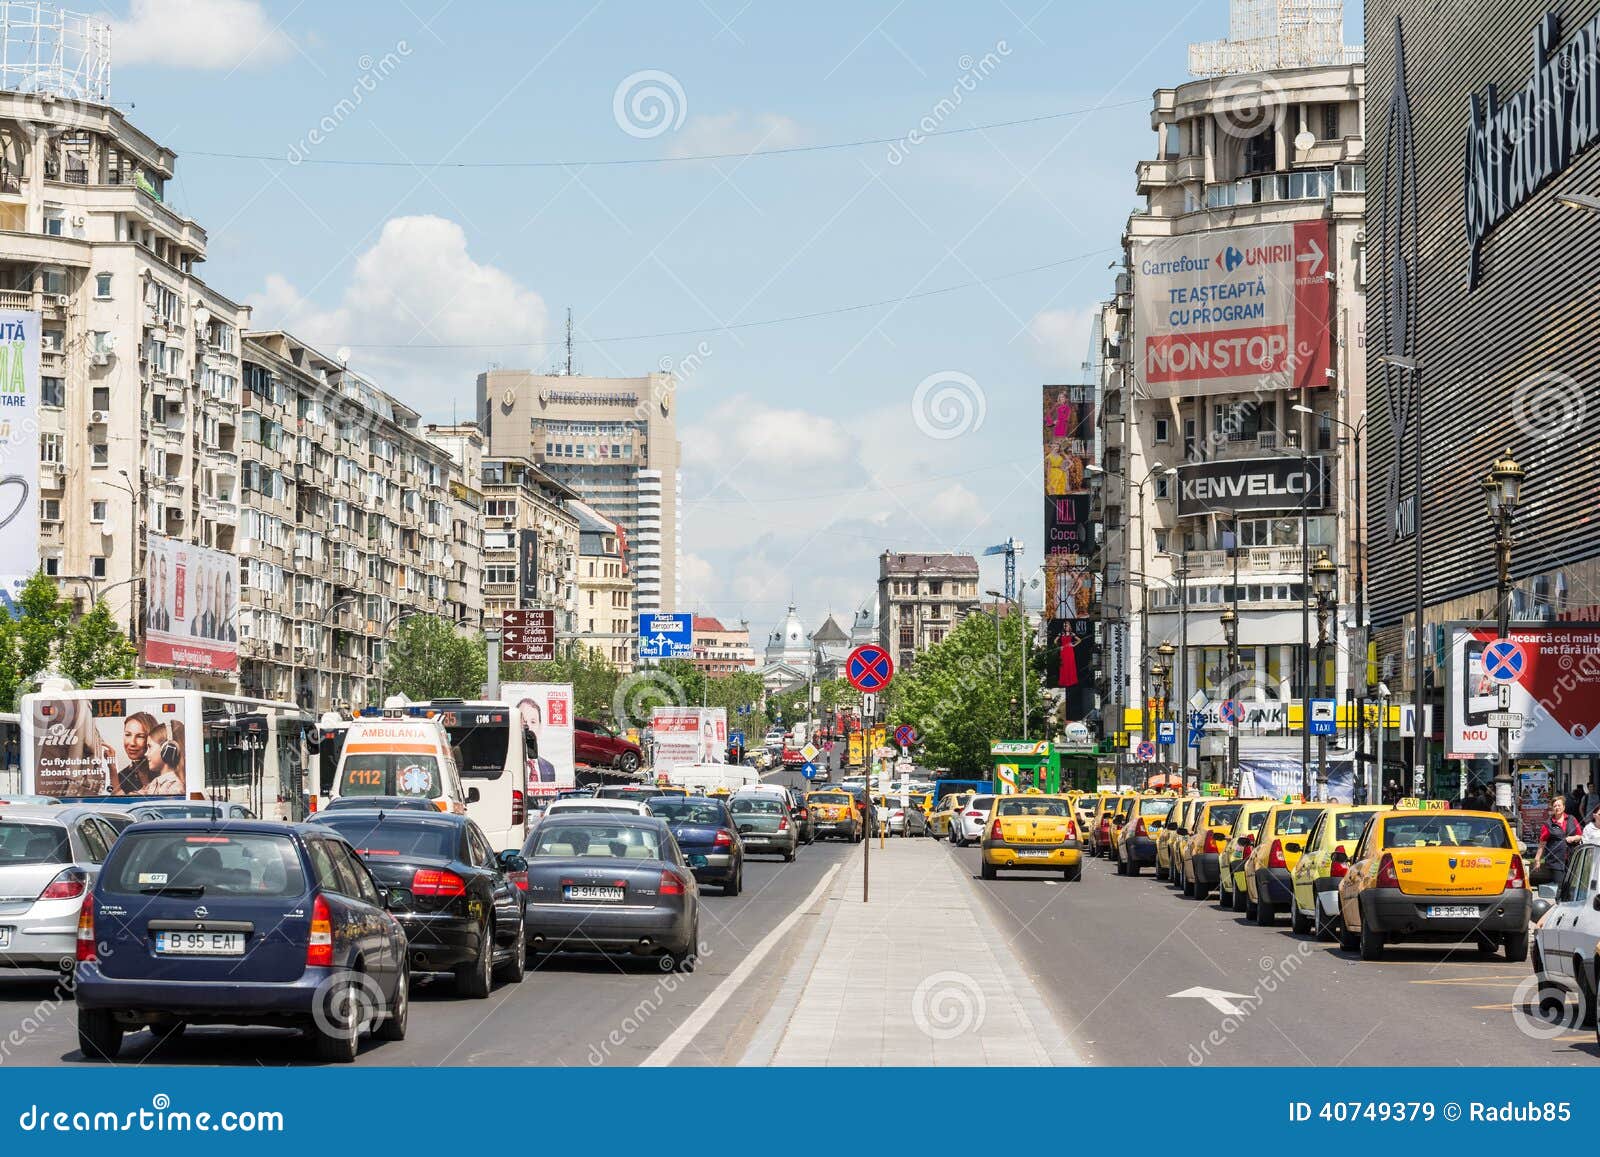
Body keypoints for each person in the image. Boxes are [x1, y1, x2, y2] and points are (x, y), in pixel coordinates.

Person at [99, 712, 158, 796]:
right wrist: (112, 767)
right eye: (128, 735)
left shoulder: (165, 772)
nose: (132, 743)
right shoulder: (122, 777)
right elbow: (115, 796)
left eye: (140, 736)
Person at [1534, 795, 1581, 886]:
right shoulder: (1548, 824)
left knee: (1570, 886)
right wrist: (1537, 859)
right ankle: (1559, 900)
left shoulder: (1572, 819)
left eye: (1559, 805)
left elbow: (1580, 835)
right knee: (1560, 886)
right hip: (1555, 861)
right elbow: (1542, 843)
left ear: (1563, 807)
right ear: (1552, 808)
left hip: (1571, 859)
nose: (1557, 808)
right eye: (1555, 806)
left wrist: (1573, 838)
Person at [517, 698, 557, 783]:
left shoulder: (549, 767)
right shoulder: (508, 764)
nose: (527, 726)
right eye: (523, 721)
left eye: (533, 722)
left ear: (540, 727)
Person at [141, 721, 184, 795]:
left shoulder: (175, 788)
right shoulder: (156, 783)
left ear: (168, 749)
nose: (146, 753)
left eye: (150, 747)